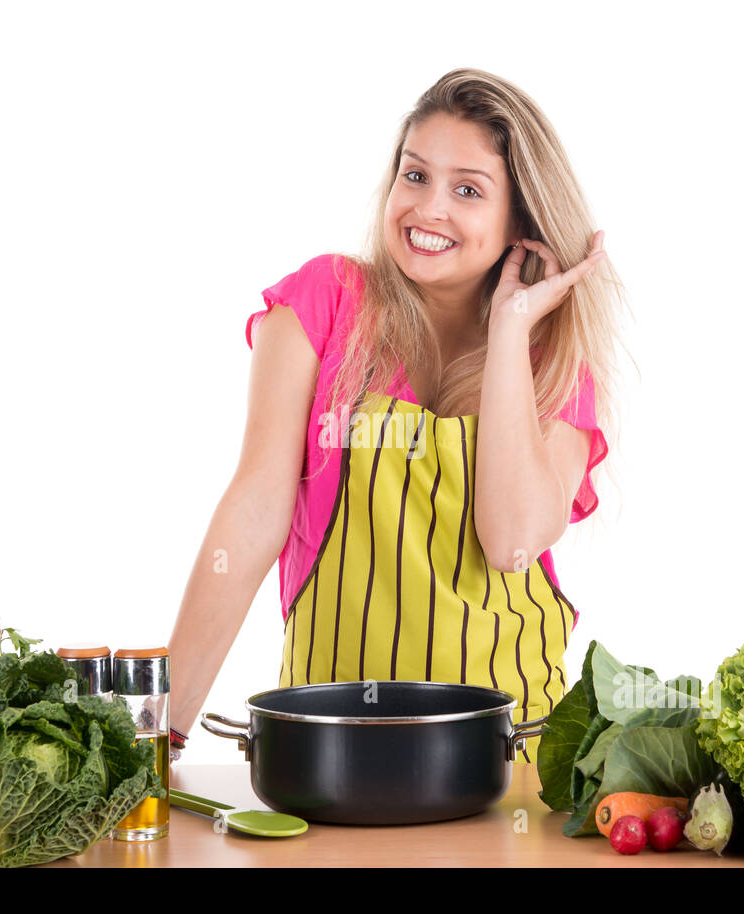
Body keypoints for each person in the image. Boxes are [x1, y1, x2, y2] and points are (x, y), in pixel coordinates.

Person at [167, 68, 626, 765]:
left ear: (521, 221)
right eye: (415, 176)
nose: (428, 208)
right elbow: (254, 509)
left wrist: (509, 332)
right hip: (330, 749)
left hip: (509, 766)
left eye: (467, 189)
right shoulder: (325, 303)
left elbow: (512, 543)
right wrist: (162, 727)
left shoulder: (553, 358)